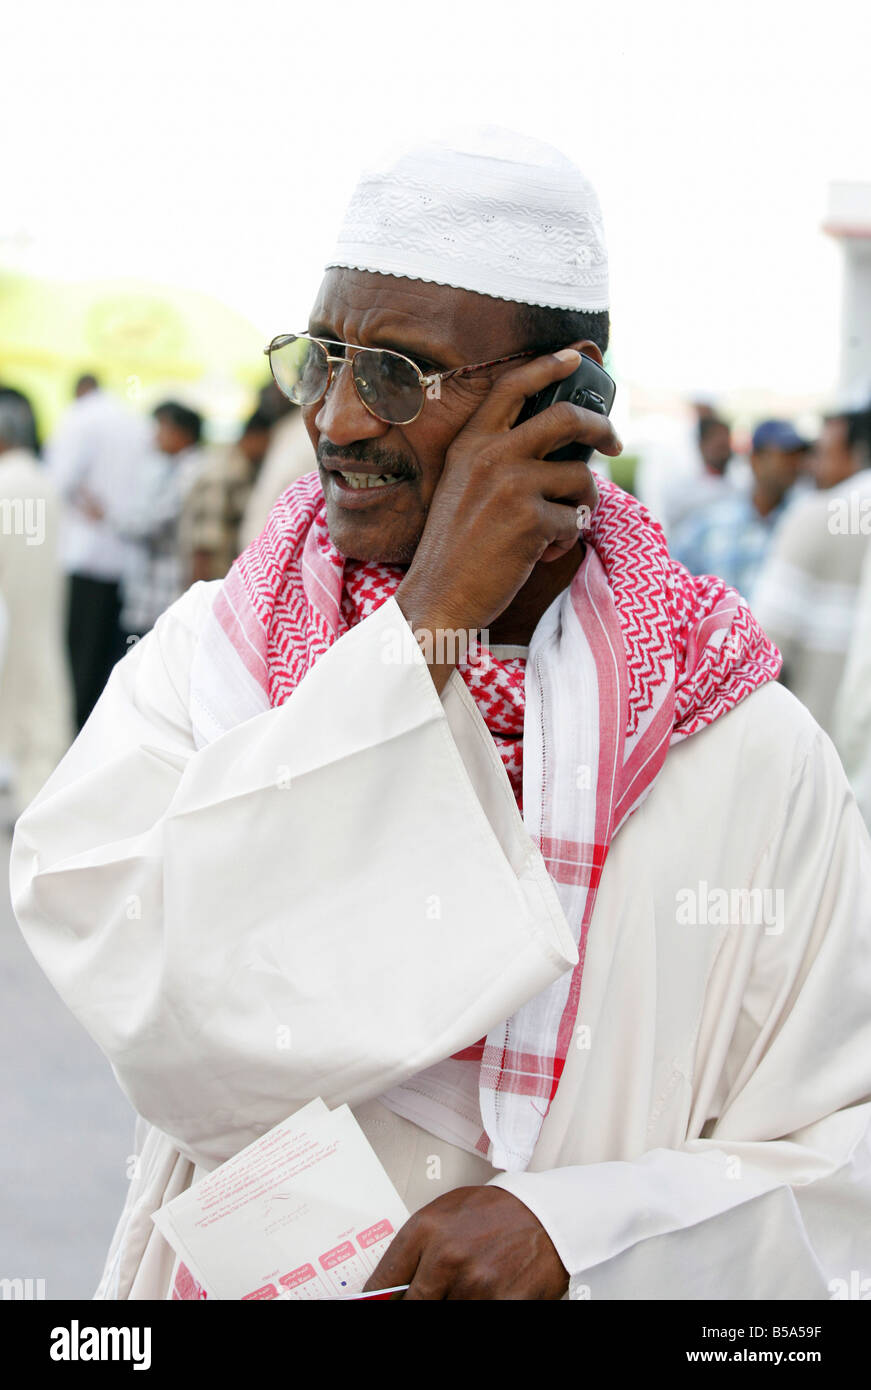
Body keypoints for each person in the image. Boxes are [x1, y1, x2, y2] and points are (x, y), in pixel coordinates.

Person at [10, 128, 871, 1302]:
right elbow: (163, 1012)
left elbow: (839, 1156)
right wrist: (424, 632)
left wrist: (577, 1232)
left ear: (567, 400)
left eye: (396, 375)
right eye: (322, 359)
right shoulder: (216, 660)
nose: (340, 419)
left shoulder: (740, 745)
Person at [753, 402, 871, 733]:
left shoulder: (817, 515)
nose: (810, 465)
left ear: (856, 454)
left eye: (821, 453)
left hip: (820, 745)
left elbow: (765, 649)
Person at [46, 373, 150, 728]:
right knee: (103, 654)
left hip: (83, 553)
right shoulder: (133, 419)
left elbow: (58, 482)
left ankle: (70, 727)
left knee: (75, 653)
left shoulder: (79, 418)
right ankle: (90, 728)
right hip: (124, 559)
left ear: (78, 390)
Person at [0, 391, 73, 814]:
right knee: (41, 695)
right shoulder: (42, 480)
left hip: (10, 611)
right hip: (41, 610)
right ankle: (34, 799)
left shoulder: (6, 480)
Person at [672, 419, 805, 600]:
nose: (794, 464)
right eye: (784, 456)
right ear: (755, 460)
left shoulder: (802, 521)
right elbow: (673, 581)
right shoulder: (713, 521)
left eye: (797, 457)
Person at [114, 400, 205, 643]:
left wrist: (112, 520)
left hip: (168, 586)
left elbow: (151, 523)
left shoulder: (192, 471)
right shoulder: (173, 467)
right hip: (154, 587)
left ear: (182, 433)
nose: (156, 435)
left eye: (162, 428)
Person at [179, 408, 272, 583]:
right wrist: (203, 593)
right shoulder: (224, 473)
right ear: (256, 436)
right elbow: (204, 546)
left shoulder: (244, 468)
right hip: (214, 580)